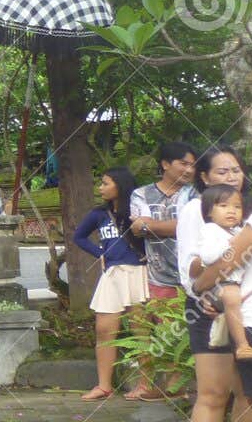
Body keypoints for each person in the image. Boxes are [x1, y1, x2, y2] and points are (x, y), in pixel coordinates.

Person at [179, 145, 252, 422]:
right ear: (204, 177)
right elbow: (190, 266)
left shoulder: (250, 212)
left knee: (249, 391)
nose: (231, 177)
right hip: (208, 308)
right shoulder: (194, 211)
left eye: (236, 170)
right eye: (222, 171)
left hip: (248, 311)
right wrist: (206, 295)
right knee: (213, 394)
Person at [74, 167, 150, 402]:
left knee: (141, 330)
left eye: (105, 183)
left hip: (138, 272)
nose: (101, 188)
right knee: (104, 329)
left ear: (120, 184)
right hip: (112, 275)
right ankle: (104, 386)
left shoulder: (137, 211)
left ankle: (145, 384)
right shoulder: (99, 214)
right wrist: (100, 253)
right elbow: (79, 236)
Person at [128, 140, 197, 301]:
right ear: (165, 164)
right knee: (161, 318)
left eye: (193, 165)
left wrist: (149, 226)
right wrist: (179, 226)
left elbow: (195, 228)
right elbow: (137, 229)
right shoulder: (141, 194)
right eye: (184, 164)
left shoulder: (197, 194)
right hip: (158, 281)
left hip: (194, 279)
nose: (189, 170)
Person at [197, 186, 252, 361]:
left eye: (237, 207)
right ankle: (242, 345)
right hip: (221, 283)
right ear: (209, 212)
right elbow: (207, 256)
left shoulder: (239, 231)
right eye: (223, 206)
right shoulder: (210, 230)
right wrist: (231, 244)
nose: (231, 211)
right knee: (232, 297)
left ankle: (223, 330)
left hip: (240, 282)